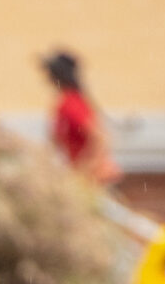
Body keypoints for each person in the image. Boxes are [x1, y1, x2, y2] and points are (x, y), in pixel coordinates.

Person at [42, 49, 115, 184]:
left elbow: (100, 137)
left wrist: (86, 169)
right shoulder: (70, 100)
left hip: (94, 180)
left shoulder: (70, 103)